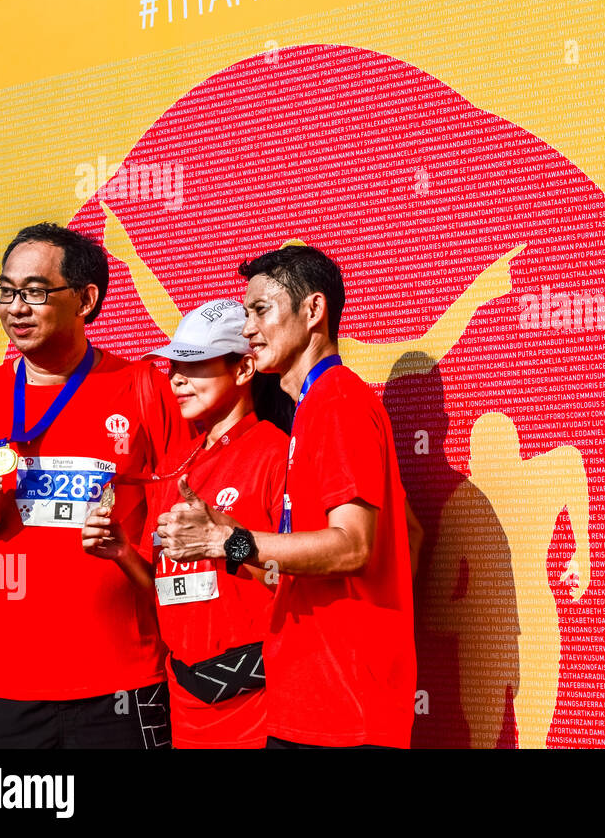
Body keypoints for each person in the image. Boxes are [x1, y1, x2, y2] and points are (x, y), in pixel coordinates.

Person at [0, 223, 190, 748]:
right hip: (4, 690)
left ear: (86, 299)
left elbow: (186, 526)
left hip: (123, 684)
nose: (15, 308)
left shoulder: (146, 389)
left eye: (35, 292)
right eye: (6, 292)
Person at [156, 245, 416, 748]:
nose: (248, 327)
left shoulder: (338, 401)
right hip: (313, 698)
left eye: (260, 310)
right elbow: (411, 533)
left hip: (344, 708)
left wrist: (226, 540)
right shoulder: (315, 408)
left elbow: (353, 547)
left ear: (313, 311)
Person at [82, 299, 289, 748]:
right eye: (174, 365)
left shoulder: (276, 452)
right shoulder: (174, 465)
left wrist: (224, 542)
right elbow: (162, 588)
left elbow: (296, 581)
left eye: (194, 365)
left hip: (257, 695)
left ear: (244, 369)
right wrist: (121, 553)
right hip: (184, 697)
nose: (176, 378)